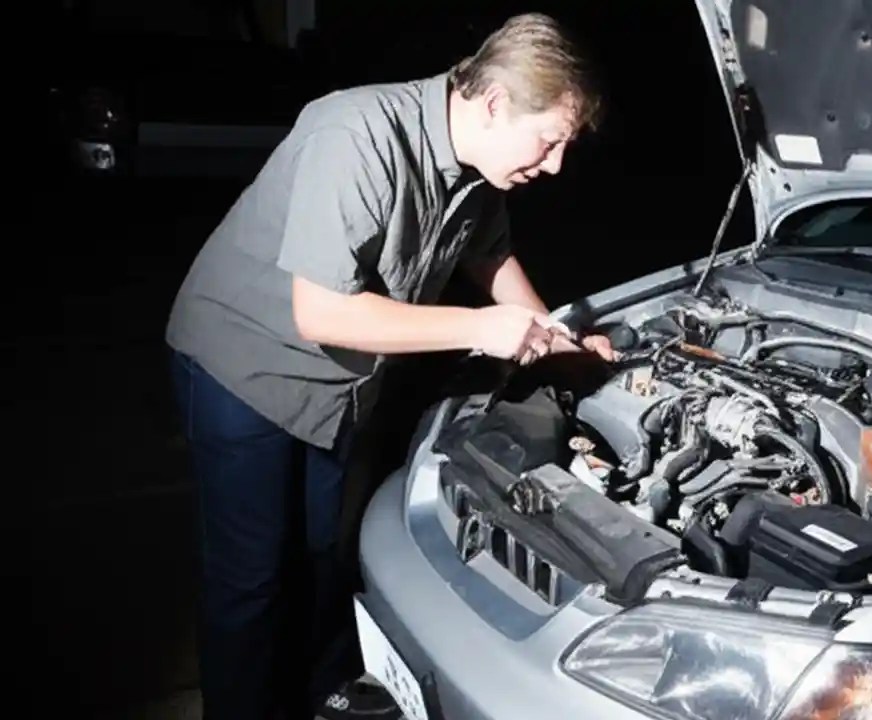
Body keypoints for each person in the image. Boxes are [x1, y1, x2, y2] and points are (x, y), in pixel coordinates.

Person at [164, 12, 614, 720]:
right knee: (251, 582)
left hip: (337, 386)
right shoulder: (357, 136)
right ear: (495, 103)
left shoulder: (481, 164)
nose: (554, 165)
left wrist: (556, 344)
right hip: (241, 367)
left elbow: (487, 256)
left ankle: (325, 694)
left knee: (318, 558)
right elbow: (322, 314)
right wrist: (480, 330)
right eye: (550, 142)